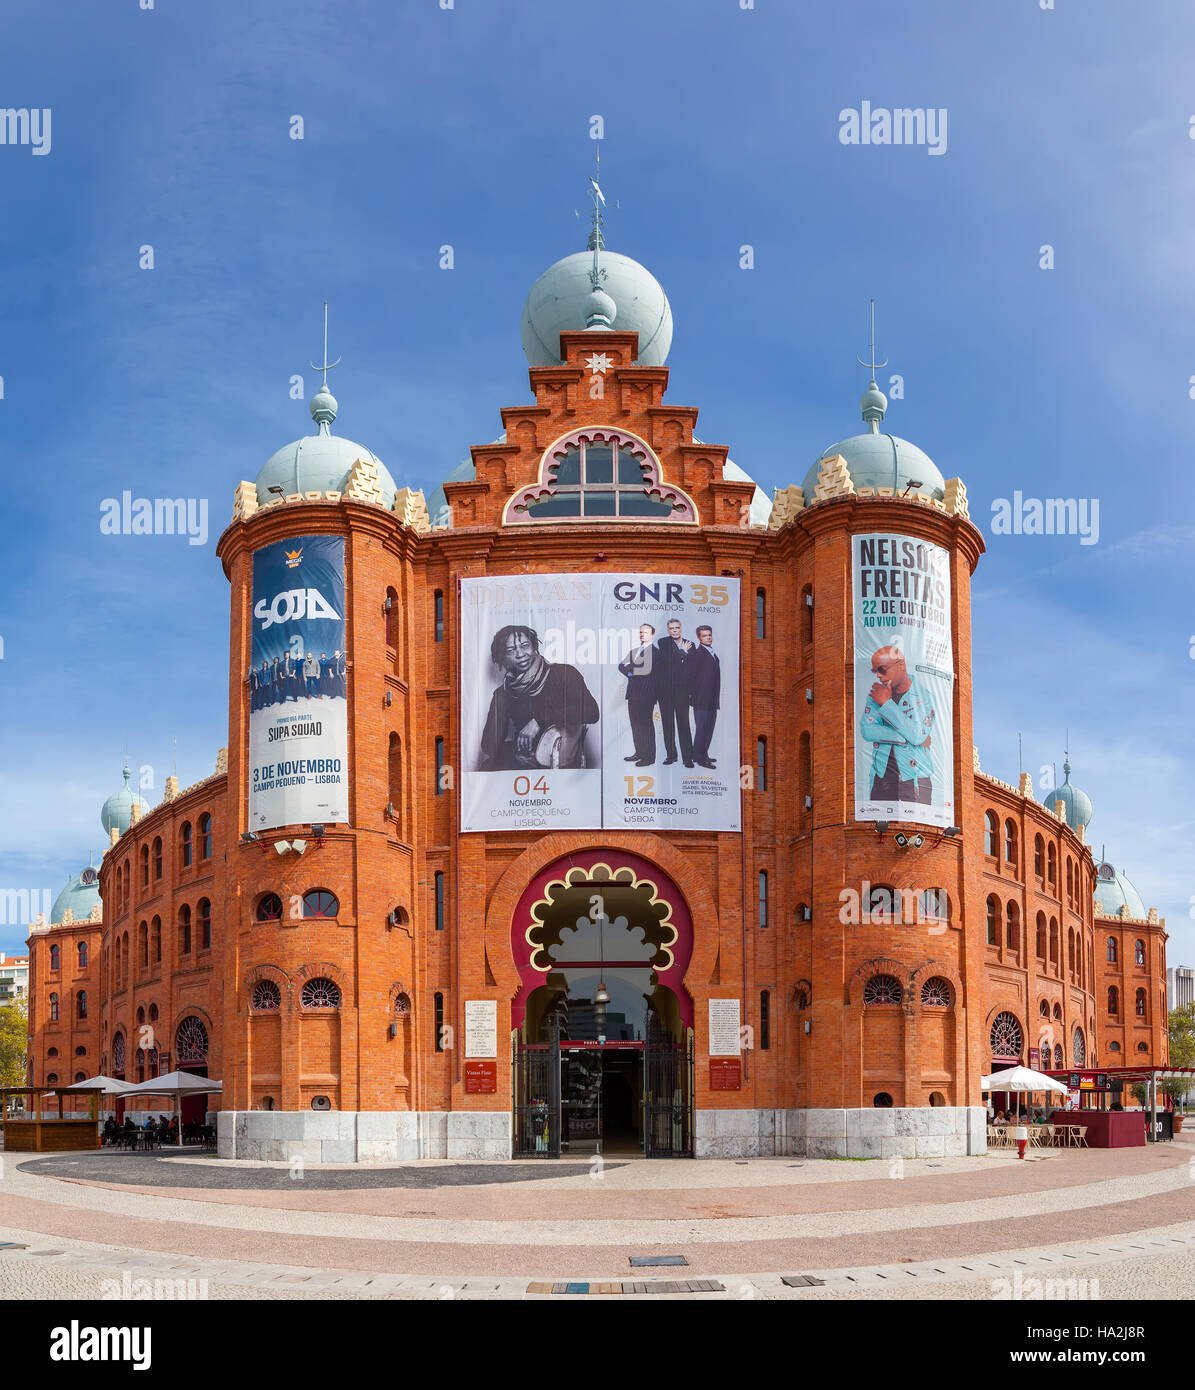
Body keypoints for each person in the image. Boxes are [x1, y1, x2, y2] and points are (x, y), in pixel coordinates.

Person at [479, 625, 599, 770]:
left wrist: (538, 720)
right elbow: (489, 744)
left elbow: (591, 712)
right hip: (525, 764)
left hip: (563, 763)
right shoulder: (503, 693)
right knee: (487, 767)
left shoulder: (563, 674)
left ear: (534, 646)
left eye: (525, 645)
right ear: (503, 657)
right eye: (511, 650)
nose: (520, 654)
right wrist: (516, 752)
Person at [859, 643, 935, 804]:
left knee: (916, 830)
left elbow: (916, 734)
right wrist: (902, 737)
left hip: (915, 781)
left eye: (882, 669)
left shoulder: (924, 696)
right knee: (876, 829)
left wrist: (886, 703)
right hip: (882, 781)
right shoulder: (876, 694)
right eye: (875, 671)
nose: (878, 676)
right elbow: (867, 730)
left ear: (900, 665)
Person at [654, 618, 694, 767]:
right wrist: (682, 651)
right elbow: (667, 660)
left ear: (681, 628)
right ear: (668, 630)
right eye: (672, 628)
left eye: (677, 627)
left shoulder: (692, 645)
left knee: (684, 724)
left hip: (683, 692)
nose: (675, 630)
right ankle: (671, 756)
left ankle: (687, 758)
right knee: (668, 725)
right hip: (665, 692)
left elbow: (691, 670)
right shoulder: (663, 642)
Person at [618, 624, 658, 767]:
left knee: (645, 725)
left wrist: (631, 670)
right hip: (633, 694)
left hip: (646, 695)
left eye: (646, 632)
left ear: (652, 635)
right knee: (635, 725)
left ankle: (649, 757)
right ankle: (639, 753)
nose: (642, 634)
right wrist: (631, 672)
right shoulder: (634, 651)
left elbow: (645, 670)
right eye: (641, 632)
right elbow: (621, 665)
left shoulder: (655, 652)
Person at [684, 625, 721, 769]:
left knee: (709, 728)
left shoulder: (713, 653)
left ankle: (702, 753)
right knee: (702, 728)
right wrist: (694, 695)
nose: (708, 637)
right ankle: (699, 757)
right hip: (701, 699)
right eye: (705, 636)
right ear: (699, 638)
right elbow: (689, 677)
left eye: (709, 635)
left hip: (712, 699)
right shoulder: (696, 654)